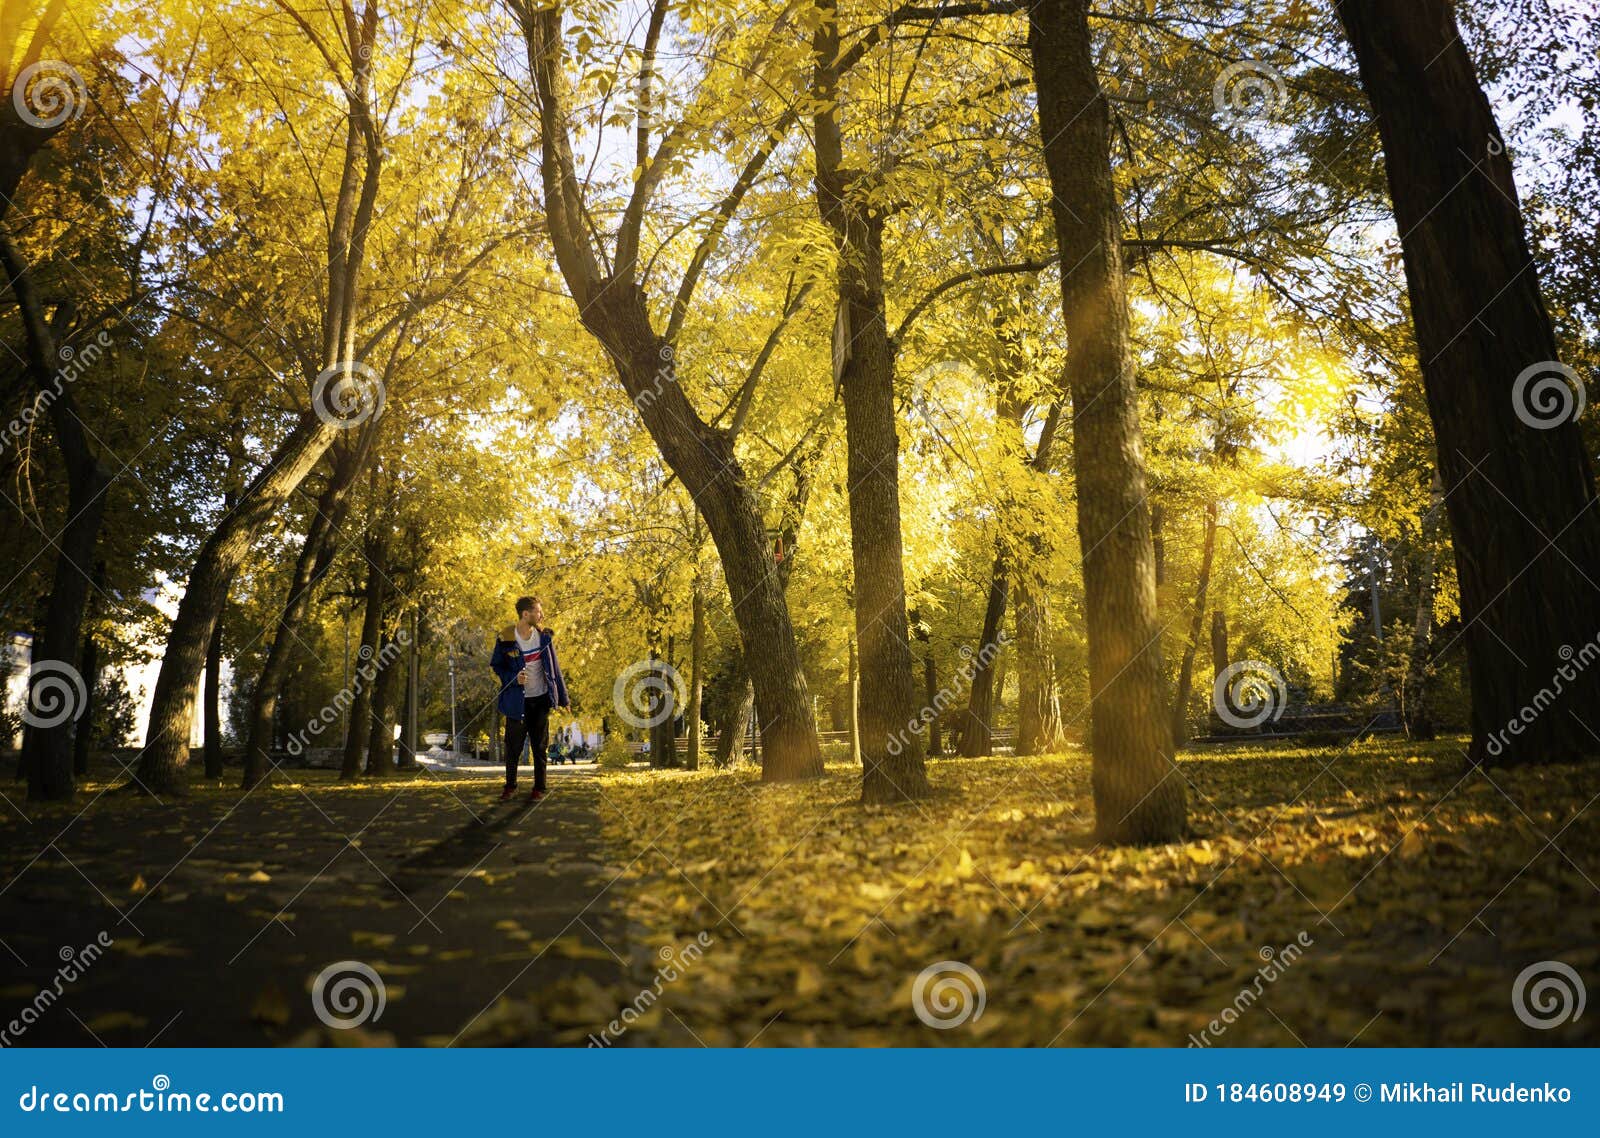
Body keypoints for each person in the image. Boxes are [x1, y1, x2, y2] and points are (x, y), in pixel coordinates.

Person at [490, 595, 570, 801]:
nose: (541, 615)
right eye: (538, 611)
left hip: (540, 700)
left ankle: (539, 789)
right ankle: (510, 787)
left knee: (540, 748)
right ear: (526, 614)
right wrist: (513, 678)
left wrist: (564, 698)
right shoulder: (506, 638)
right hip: (517, 703)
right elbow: (497, 666)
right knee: (513, 749)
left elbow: (555, 669)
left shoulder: (544, 637)